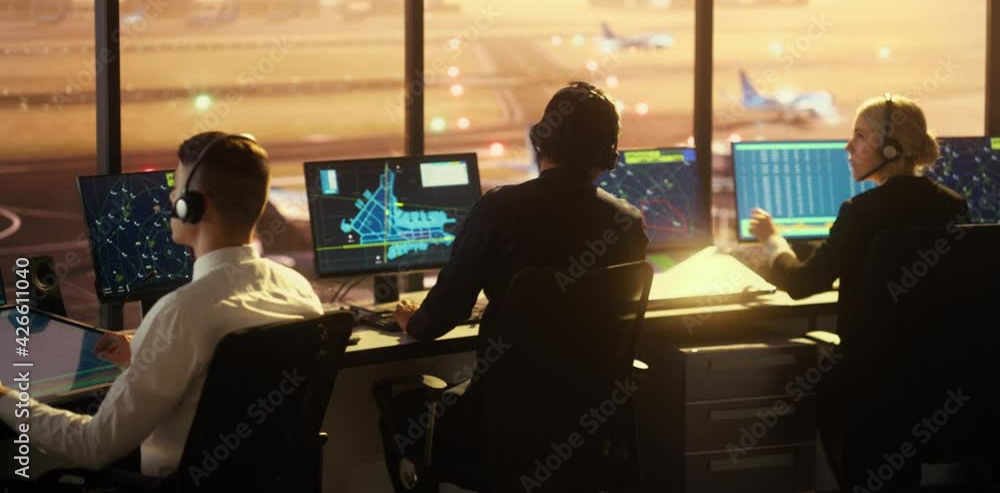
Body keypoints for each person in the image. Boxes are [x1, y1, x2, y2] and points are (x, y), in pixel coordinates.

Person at [0, 132, 323, 483]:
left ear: (194, 206)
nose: (171, 198)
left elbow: (92, 446)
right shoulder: (298, 290)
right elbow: (229, 382)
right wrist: (143, 355)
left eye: (177, 189)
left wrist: (4, 398)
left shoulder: (181, 314)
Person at [381, 81, 649, 490]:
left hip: (502, 429)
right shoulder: (627, 222)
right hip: (590, 428)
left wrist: (411, 321)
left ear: (541, 141)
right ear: (608, 155)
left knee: (399, 409)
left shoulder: (498, 209)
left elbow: (445, 313)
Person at [748, 94, 968, 490]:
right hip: (931, 387)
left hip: (870, 394)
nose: (848, 147)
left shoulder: (860, 212)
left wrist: (773, 242)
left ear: (890, 149)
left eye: (860, 136)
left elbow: (802, 283)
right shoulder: (953, 207)